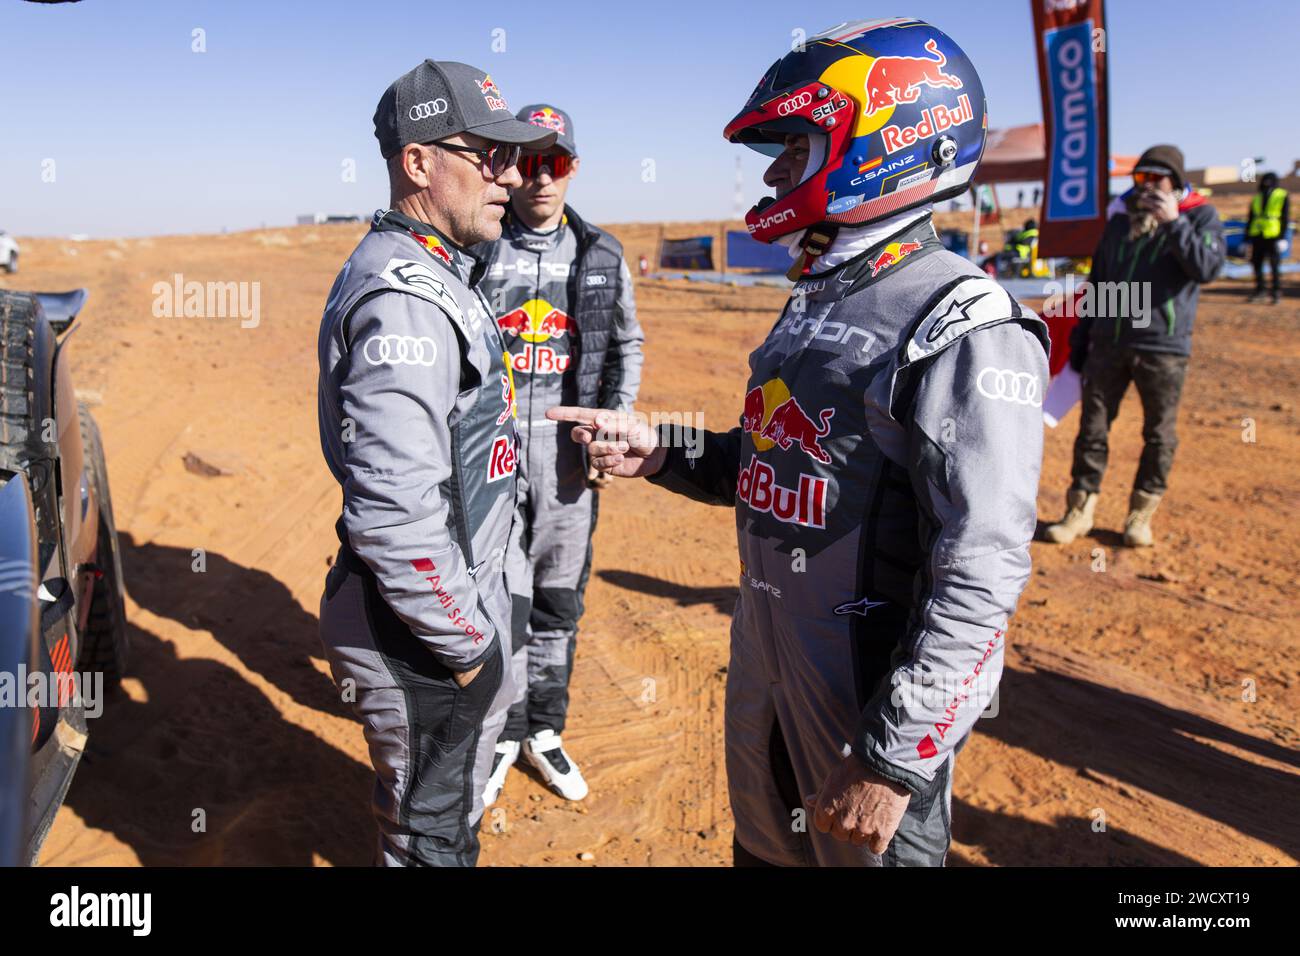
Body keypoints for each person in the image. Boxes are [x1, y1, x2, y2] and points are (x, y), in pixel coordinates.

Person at [552, 18, 1048, 866]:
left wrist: (894, 762)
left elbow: (985, 563)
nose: (777, 169)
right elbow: (775, 459)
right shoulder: (821, 293)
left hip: (864, 729)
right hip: (769, 692)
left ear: (889, 137)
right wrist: (662, 449)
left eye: (798, 144)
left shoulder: (962, 320)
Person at [315, 59, 555, 866]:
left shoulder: (435, 267)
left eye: (513, 156)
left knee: (440, 824)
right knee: (429, 842)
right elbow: (392, 512)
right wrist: (471, 649)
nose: (512, 175)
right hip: (419, 628)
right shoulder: (408, 297)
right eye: (488, 155)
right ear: (418, 162)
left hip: (443, 606)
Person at [473, 104, 644, 805]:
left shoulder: (601, 253)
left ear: (573, 168)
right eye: (530, 162)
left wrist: (617, 422)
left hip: (568, 463)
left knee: (557, 602)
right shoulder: (478, 246)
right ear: (511, 168)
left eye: (558, 163)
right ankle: (500, 732)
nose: (542, 179)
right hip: (488, 455)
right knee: (492, 599)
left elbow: (628, 344)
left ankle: (543, 729)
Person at [1046, 145, 1225, 548]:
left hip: (1162, 346)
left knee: (1158, 434)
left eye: (1156, 179)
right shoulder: (1119, 220)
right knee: (1092, 430)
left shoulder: (1200, 216)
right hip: (1109, 341)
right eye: (1140, 178)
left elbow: (1208, 268)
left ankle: (1139, 516)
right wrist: (1081, 335)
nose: (1146, 188)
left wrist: (1174, 224)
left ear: (1175, 184)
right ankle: (1079, 512)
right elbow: (1100, 280)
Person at [1246, 172, 1289, 305]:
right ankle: (1260, 290)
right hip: (1258, 235)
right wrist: (1246, 238)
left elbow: (1285, 217)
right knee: (1256, 263)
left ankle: (1276, 292)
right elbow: (1251, 217)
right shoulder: (1257, 197)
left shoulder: (1281, 195)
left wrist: (1282, 237)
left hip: (1273, 235)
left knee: (1274, 265)